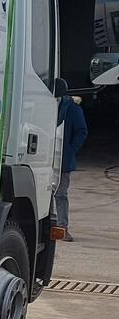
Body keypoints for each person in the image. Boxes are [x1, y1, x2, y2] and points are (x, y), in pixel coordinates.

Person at [56, 93, 88, 240]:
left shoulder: (72, 108)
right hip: (41, 156)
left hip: (62, 159)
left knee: (60, 193)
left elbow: (81, 131)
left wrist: (70, 150)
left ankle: (62, 227)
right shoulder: (43, 102)